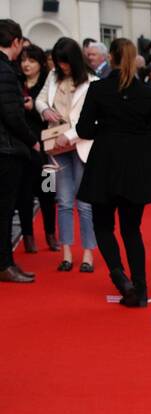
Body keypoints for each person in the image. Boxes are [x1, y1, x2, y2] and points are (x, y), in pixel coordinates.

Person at [76, 37, 151, 307]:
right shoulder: (149, 93)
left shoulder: (98, 89)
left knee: (103, 225)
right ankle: (140, 289)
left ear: (113, 58)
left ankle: (120, 278)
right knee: (132, 229)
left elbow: (83, 130)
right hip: (137, 165)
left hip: (105, 162)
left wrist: (105, 129)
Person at [36, 37, 98, 273]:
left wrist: (70, 135)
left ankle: (88, 254)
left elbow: (93, 118)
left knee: (84, 204)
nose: (62, 67)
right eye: (58, 62)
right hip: (56, 146)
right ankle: (66, 253)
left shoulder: (92, 81)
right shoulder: (52, 76)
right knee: (62, 201)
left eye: (65, 62)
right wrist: (46, 110)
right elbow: (41, 99)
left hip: (81, 145)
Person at [0, 19, 40, 284]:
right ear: (15, 42)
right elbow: (12, 115)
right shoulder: (5, 71)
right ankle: (5, 264)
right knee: (5, 211)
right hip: (6, 150)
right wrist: (32, 140)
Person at [17, 43, 57, 253]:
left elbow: (53, 114)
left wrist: (34, 108)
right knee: (24, 194)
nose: (26, 65)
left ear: (40, 63)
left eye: (31, 61)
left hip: (46, 148)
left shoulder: (48, 85)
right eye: (23, 60)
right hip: (23, 148)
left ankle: (51, 234)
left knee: (48, 193)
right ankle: (28, 236)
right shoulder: (16, 82)